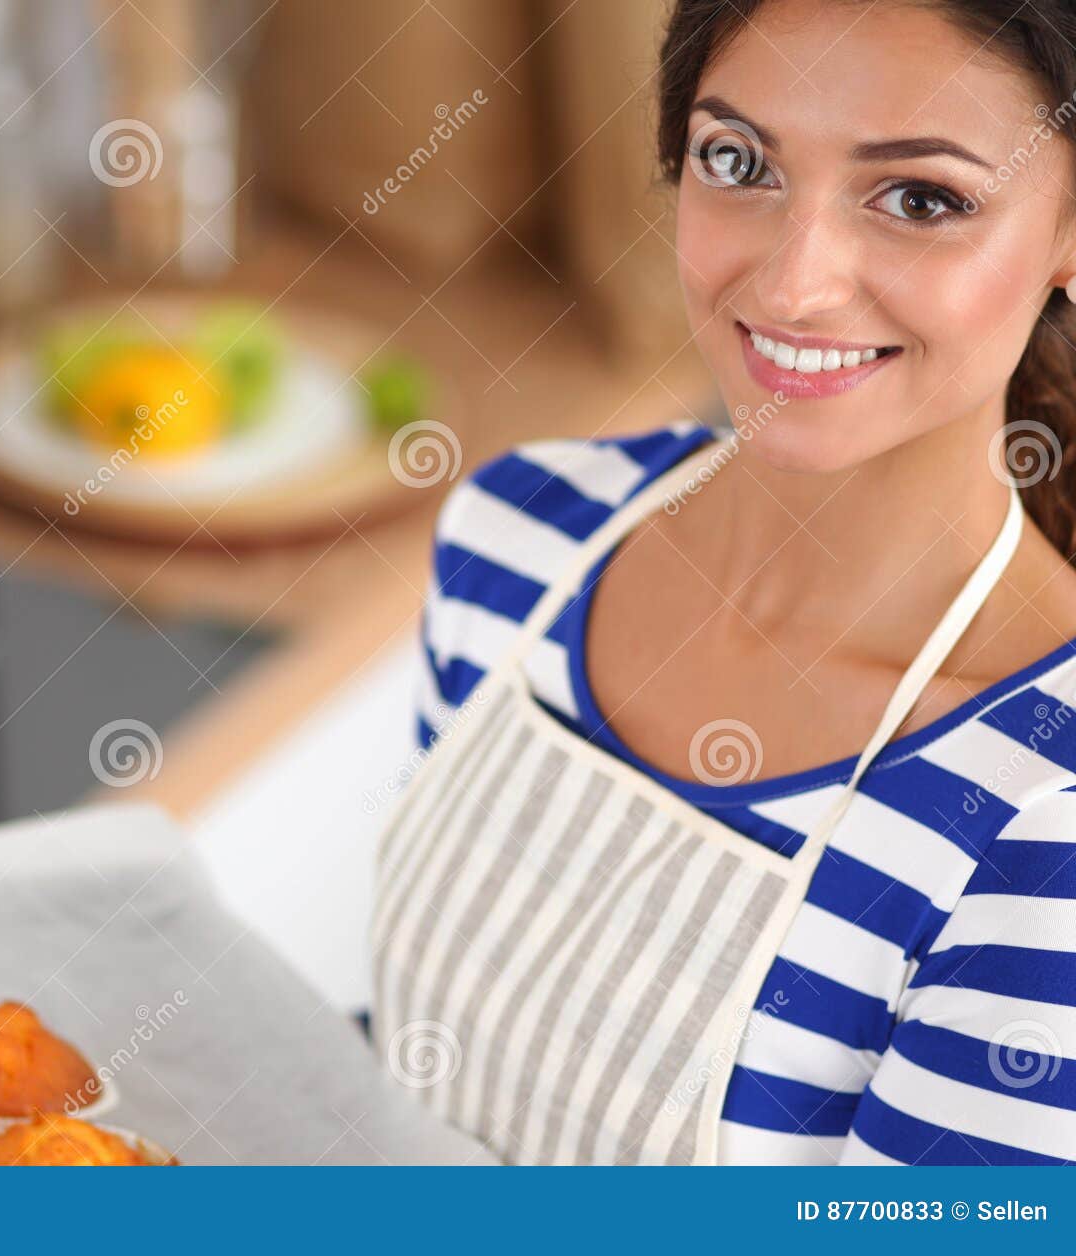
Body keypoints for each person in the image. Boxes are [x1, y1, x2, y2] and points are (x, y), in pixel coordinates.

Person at [373, 0, 1076, 1165]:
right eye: (739, 162)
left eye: (920, 199)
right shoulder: (522, 535)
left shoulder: (1043, 820)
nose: (794, 286)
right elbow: (403, 1080)